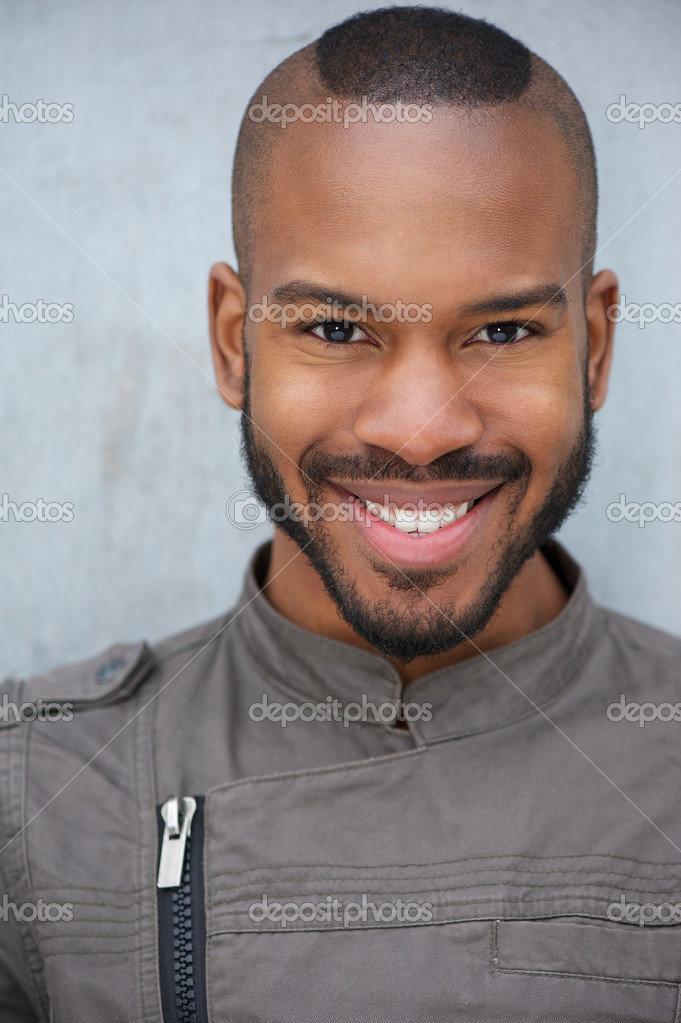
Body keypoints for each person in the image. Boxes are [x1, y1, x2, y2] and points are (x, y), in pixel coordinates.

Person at [2, 7, 680, 1021]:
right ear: (235, 344)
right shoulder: (37, 797)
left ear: (592, 348)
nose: (420, 431)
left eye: (500, 329)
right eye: (334, 327)